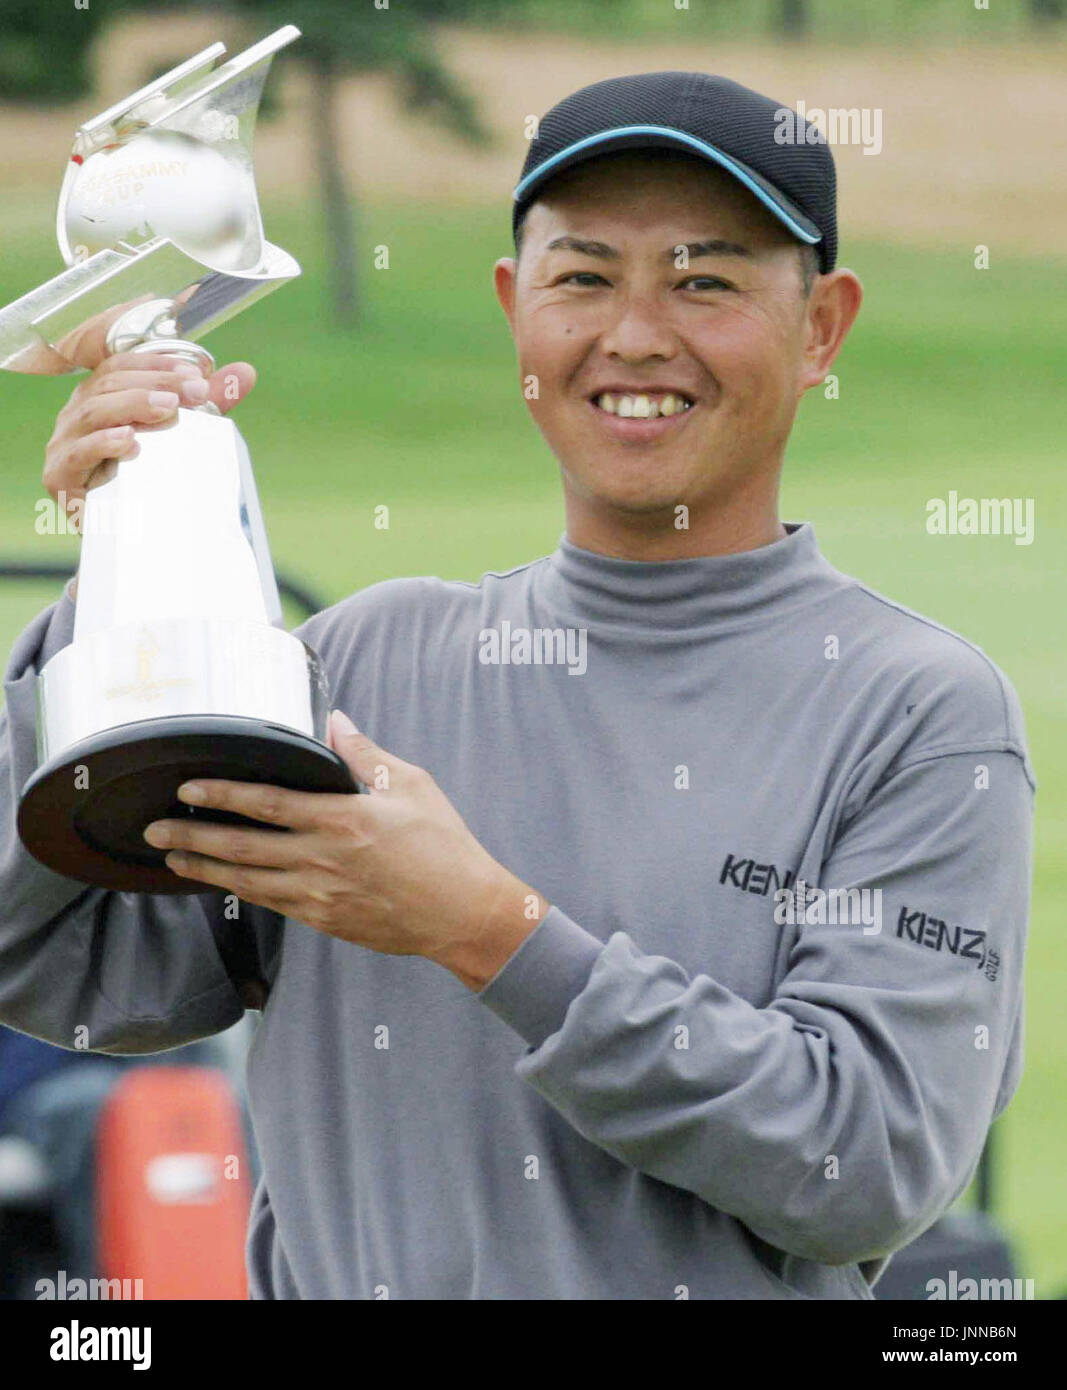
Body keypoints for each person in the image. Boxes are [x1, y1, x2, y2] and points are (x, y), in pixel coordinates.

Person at [0, 73, 1034, 1300]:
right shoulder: (362, 663)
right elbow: (54, 966)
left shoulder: (916, 715)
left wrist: (489, 933)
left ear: (820, 328)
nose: (636, 335)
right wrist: (127, 566)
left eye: (704, 280)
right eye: (582, 276)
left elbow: (862, 1164)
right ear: (513, 309)